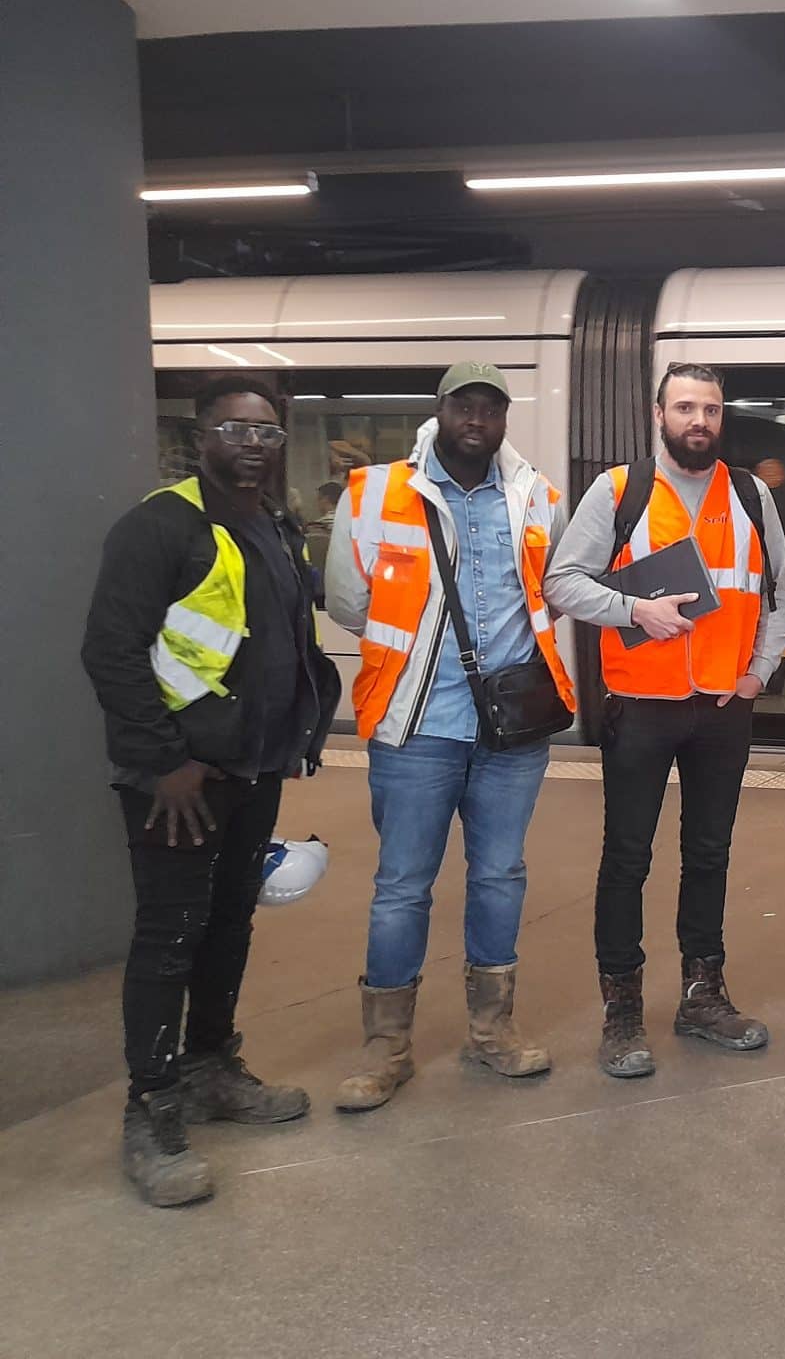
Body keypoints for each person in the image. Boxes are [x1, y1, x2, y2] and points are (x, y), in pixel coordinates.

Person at [83, 376, 340, 1207]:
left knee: (228, 925)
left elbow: (279, 643)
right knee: (170, 936)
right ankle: (151, 1109)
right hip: (178, 783)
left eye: (267, 432)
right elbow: (112, 652)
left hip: (251, 769)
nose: (254, 444)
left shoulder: (274, 524)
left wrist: (297, 732)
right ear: (201, 436)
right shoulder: (160, 526)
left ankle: (210, 1069)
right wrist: (163, 760)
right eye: (237, 429)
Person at [325, 362, 576, 1110]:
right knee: (402, 887)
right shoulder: (372, 492)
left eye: (490, 407)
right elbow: (347, 602)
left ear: (504, 418)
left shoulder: (537, 498)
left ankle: (491, 1031)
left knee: (501, 877)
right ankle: (387, 1046)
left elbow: (551, 593)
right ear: (440, 411)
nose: (477, 418)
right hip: (416, 727)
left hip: (513, 732)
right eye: (464, 404)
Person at [543, 362, 785, 1077]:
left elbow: (776, 590)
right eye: (685, 407)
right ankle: (622, 1012)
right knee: (627, 859)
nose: (699, 421)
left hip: (722, 709)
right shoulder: (619, 492)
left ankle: (702, 995)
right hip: (642, 710)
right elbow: (562, 581)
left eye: (710, 409)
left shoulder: (748, 494)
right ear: (659, 415)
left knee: (709, 855)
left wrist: (758, 674)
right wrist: (633, 611)